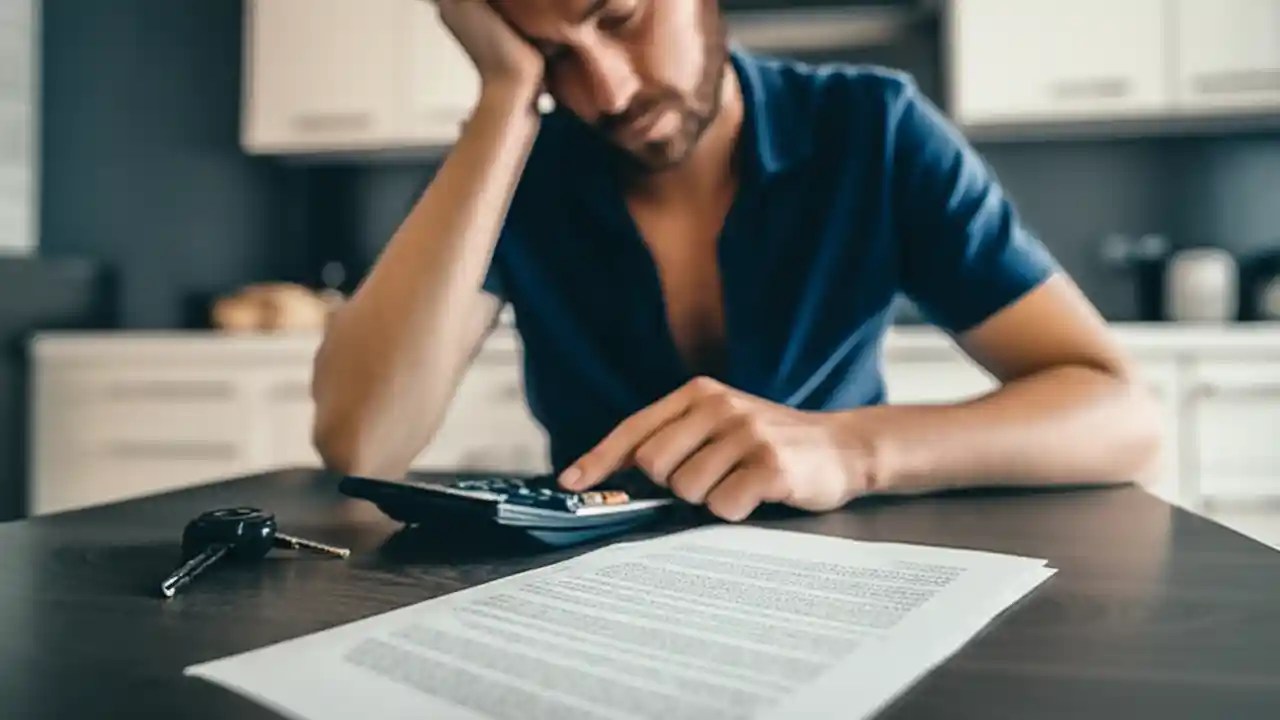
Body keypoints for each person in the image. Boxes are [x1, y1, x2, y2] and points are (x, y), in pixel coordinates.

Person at [311, 0, 1162, 522]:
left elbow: (1120, 416)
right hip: (581, 590)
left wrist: (854, 450)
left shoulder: (875, 130)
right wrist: (503, 98)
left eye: (619, 17)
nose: (605, 91)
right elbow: (363, 442)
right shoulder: (514, 172)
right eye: (554, 56)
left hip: (847, 563)